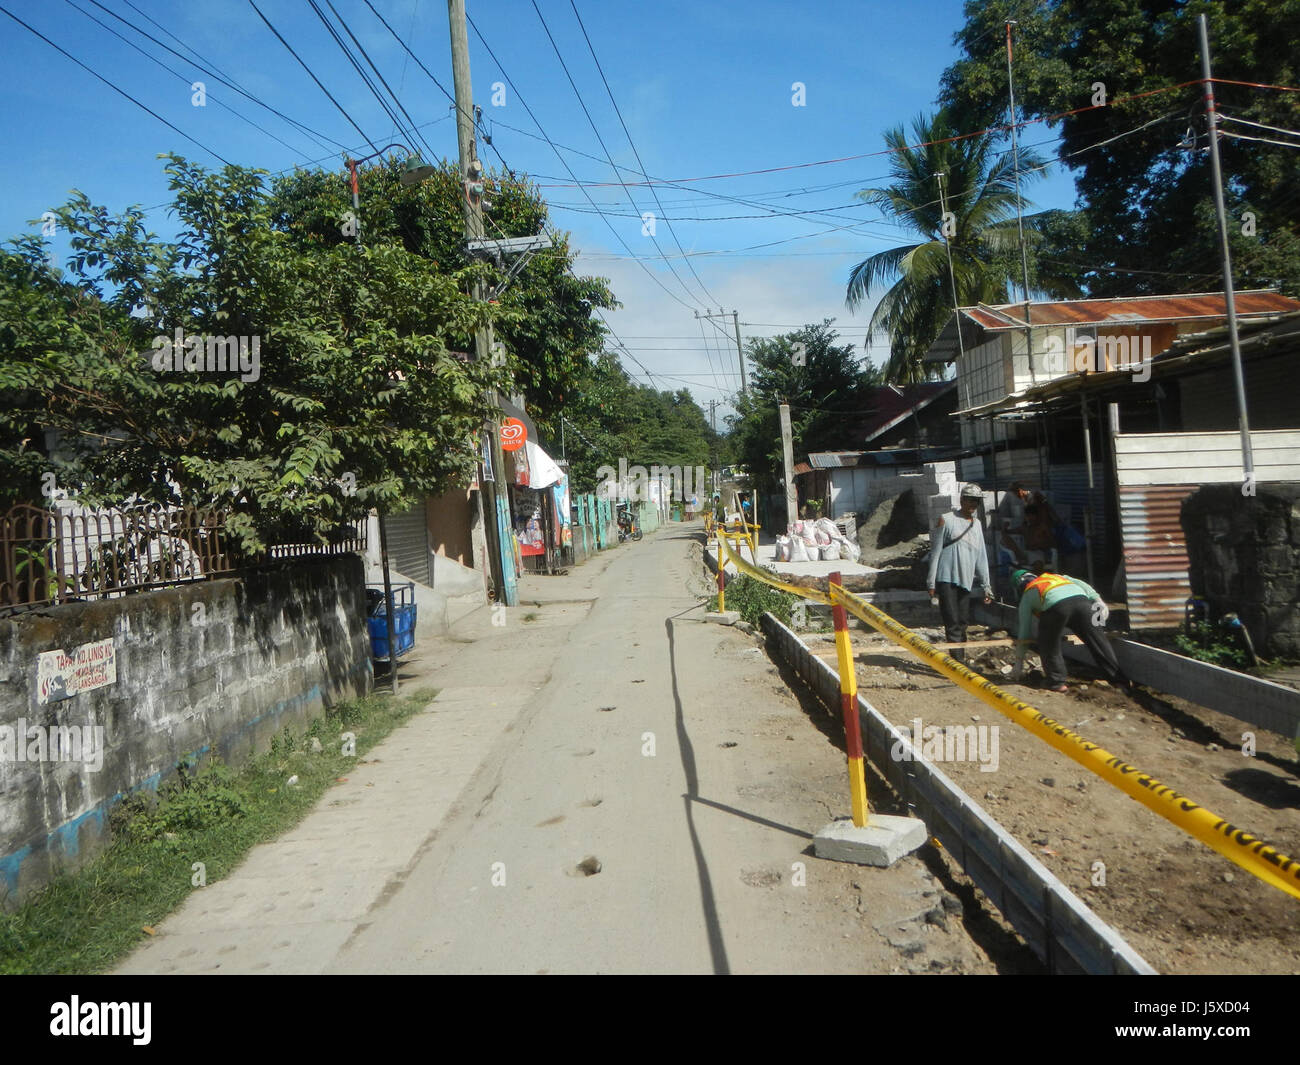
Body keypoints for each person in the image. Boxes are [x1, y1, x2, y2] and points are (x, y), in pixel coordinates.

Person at [1010, 567, 1127, 692]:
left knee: (1047, 642)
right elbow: (1083, 585)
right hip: (1084, 604)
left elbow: (1024, 632)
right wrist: (1099, 601)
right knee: (1099, 641)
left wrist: (1019, 662)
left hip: (1057, 609)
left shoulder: (1028, 594)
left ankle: (1056, 682)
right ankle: (1119, 682)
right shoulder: (1057, 577)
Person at [927, 483, 993, 662]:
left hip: (966, 579)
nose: (973, 505)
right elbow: (936, 552)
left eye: (976, 502)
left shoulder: (977, 524)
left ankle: (960, 658)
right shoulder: (946, 519)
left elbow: (981, 556)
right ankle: (958, 664)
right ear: (962, 499)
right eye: (970, 500)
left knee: (963, 621)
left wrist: (986, 585)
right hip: (946, 578)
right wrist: (931, 582)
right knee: (952, 621)